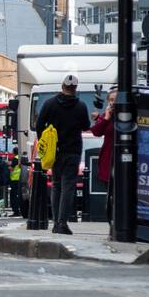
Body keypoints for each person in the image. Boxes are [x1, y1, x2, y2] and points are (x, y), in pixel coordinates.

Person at [35, 73, 91, 236]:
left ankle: (55, 223)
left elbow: (39, 124)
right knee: (68, 187)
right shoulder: (81, 106)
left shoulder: (50, 104)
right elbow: (86, 126)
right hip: (72, 151)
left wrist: (44, 143)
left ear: (62, 86)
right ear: (75, 89)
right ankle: (62, 222)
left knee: (57, 186)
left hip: (55, 151)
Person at [88, 89, 117, 222]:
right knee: (110, 192)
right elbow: (96, 132)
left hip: (123, 158)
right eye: (111, 100)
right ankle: (112, 220)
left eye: (116, 99)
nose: (113, 102)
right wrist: (106, 118)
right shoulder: (106, 116)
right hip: (108, 158)